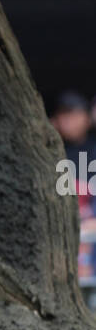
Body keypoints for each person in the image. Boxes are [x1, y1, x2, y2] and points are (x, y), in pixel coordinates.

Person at [49, 89, 96, 304]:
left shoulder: (93, 152)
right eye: (64, 115)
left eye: (75, 114)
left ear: (88, 117)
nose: (69, 121)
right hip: (60, 236)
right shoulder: (49, 153)